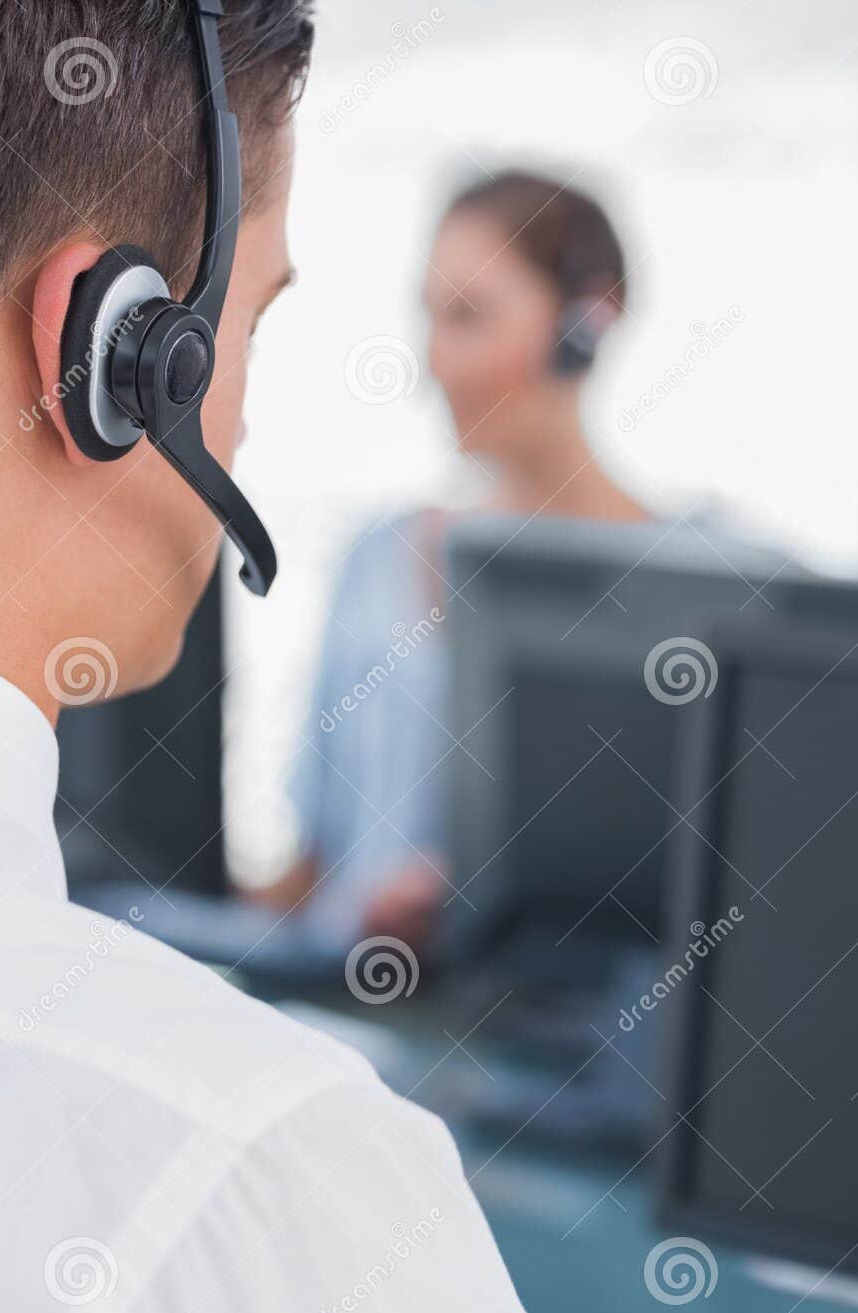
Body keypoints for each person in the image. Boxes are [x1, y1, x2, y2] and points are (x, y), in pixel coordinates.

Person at [0, 3, 858, 1313]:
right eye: (252, 329)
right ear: (107, 355)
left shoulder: (733, 570)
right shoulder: (247, 1167)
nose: (247, 417)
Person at [260, 171, 658, 960]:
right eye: (431, 318)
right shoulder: (379, 556)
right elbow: (311, 866)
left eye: (469, 317)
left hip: (555, 1019)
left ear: (585, 322)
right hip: (349, 1002)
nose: (436, 359)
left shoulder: (698, 583)